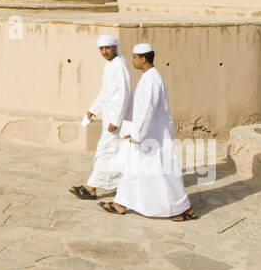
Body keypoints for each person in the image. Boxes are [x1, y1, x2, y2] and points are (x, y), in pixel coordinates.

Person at [100, 42, 196, 221]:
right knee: (138, 170)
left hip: (153, 136)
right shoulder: (150, 77)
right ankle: (121, 203)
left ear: (143, 59)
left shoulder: (151, 80)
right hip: (150, 134)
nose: (133, 61)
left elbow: (147, 111)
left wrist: (138, 135)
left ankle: (181, 208)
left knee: (163, 172)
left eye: (135, 58)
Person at [70, 34, 132, 200]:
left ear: (115, 47)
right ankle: (107, 185)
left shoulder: (120, 65)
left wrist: (116, 120)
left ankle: (91, 187)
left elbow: (124, 94)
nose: (104, 52)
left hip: (116, 120)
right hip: (110, 117)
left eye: (108, 48)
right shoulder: (109, 65)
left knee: (106, 150)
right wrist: (93, 110)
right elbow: (105, 92)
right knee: (111, 151)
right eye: (102, 49)